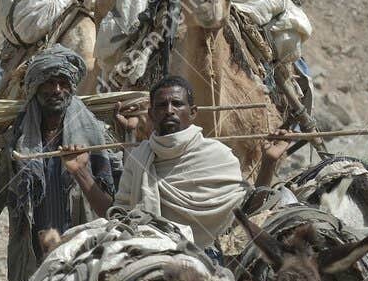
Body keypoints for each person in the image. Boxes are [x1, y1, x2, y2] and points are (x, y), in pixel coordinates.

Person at [0, 45, 120, 281]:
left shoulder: (94, 136)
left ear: (71, 87)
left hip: (84, 252)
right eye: (48, 82)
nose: (56, 89)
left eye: (62, 82)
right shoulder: (20, 138)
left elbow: (112, 210)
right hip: (37, 253)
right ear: (35, 88)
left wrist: (80, 172)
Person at [107, 75, 292, 249]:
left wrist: (268, 162)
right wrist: (80, 172)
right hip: (146, 255)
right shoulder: (140, 157)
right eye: (162, 105)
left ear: (193, 112)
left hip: (207, 260)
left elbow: (247, 214)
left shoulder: (219, 157)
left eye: (177, 104)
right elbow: (121, 216)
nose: (169, 110)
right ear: (151, 114)